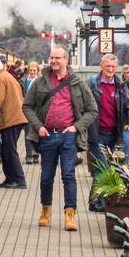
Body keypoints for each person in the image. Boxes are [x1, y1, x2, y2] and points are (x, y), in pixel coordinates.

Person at [23, 45, 95, 231]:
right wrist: (38, 126)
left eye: (58, 58)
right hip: (47, 135)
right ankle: (45, 211)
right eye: (51, 57)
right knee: (46, 177)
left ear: (66, 60)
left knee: (69, 176)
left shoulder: (77, 83)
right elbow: (27, 107)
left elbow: (92, 110)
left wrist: (76, 127)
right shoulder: (40, 82)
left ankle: (70, 215)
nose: (54, 61)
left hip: (68, 137)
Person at [87, 53, 129, 168]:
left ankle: (101, 186)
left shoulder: (121, 86)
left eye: (113, 67)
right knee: (102, 169)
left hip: (115, 134)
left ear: (116, 67)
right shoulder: (91, 83)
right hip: (97, 133)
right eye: (107, 66)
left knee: (111, 169)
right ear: (101, 66)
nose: (110, 69)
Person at [0, 57, 27, 188]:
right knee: (6, 150)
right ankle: (10, 179)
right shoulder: (7, 76)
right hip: (14, 118)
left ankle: (19, 180)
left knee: (10, 150)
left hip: (10, 120)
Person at [22, 61, 41, 164]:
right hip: (27, 111)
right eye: (30, 70)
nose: (32, 72)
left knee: (37, 133)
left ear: (38, 71)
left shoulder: (41, 81)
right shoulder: (23, 81)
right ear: (28, 70)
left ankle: (36, 154)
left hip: (38, 111)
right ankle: (29, 155)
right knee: (28, 133)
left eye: (34, 70)